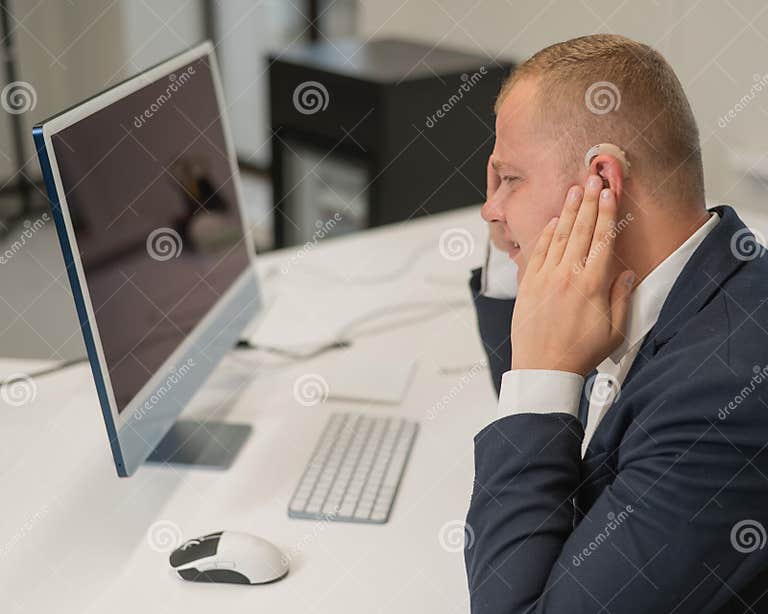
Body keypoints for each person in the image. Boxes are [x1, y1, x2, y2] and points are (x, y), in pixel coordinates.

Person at [465, 33, 768, 613]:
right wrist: (513, 237)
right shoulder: (695, 283)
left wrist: (542, 372)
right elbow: (540, 419)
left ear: (601, 181)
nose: (489, 208)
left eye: (509, 178)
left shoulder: (725, 393)